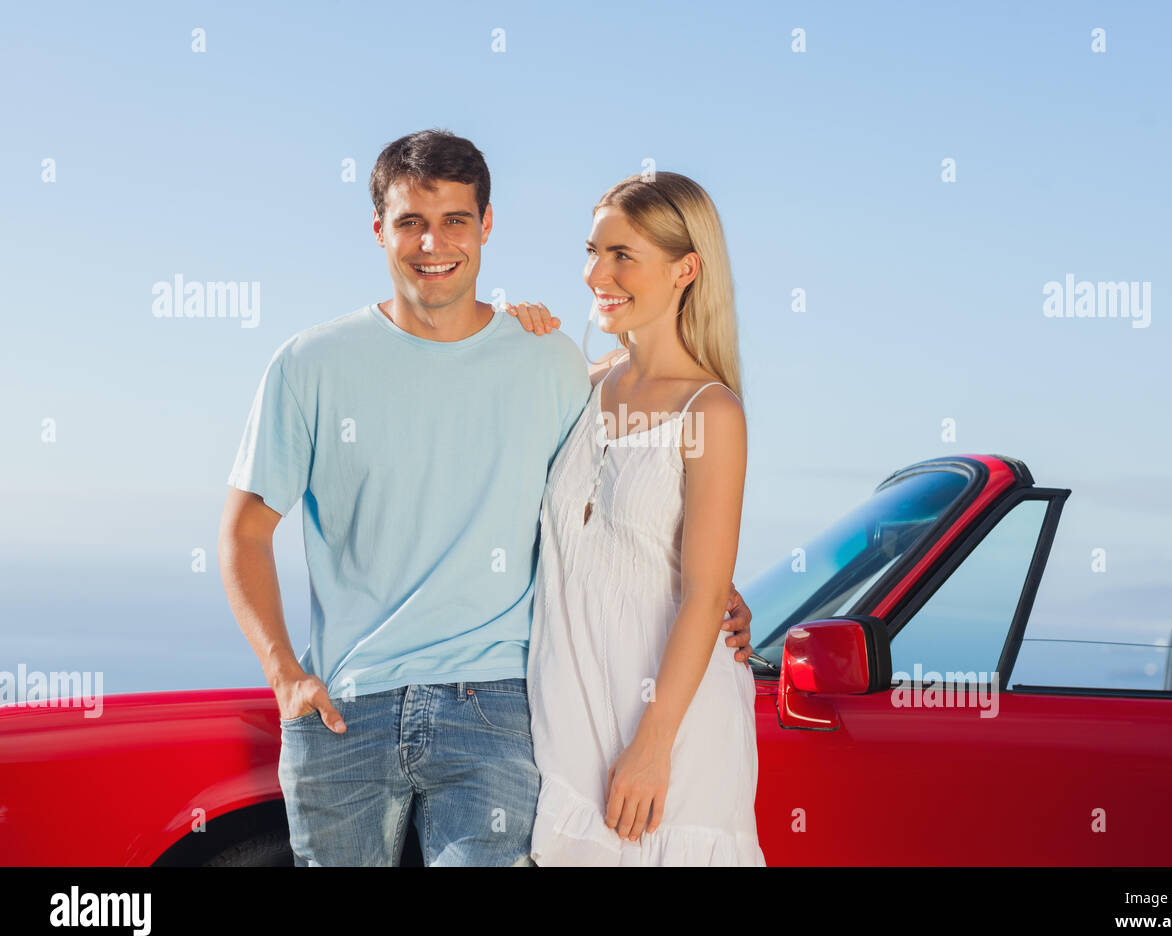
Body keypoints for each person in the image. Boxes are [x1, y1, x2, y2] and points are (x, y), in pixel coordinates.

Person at [218, 129, 756, 867]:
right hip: (370, 707)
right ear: (378, 230)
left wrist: (713, 592)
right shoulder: (319, 364)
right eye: (410, 222)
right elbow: (244, 531)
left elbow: (671, 533)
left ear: (486, 226)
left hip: (505, 707)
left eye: (454, 221)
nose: (432, 243)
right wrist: (284, 671)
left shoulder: (562, 368)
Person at [508, 172, 764, 865]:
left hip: (671, 734)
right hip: (572, 718)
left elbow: (706, 593)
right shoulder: (581, 384)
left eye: (624, 255)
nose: (598, 273)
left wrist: (652, 746)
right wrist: (507, 336)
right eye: (592, 251)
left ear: (687, 268)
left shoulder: (711, 411)